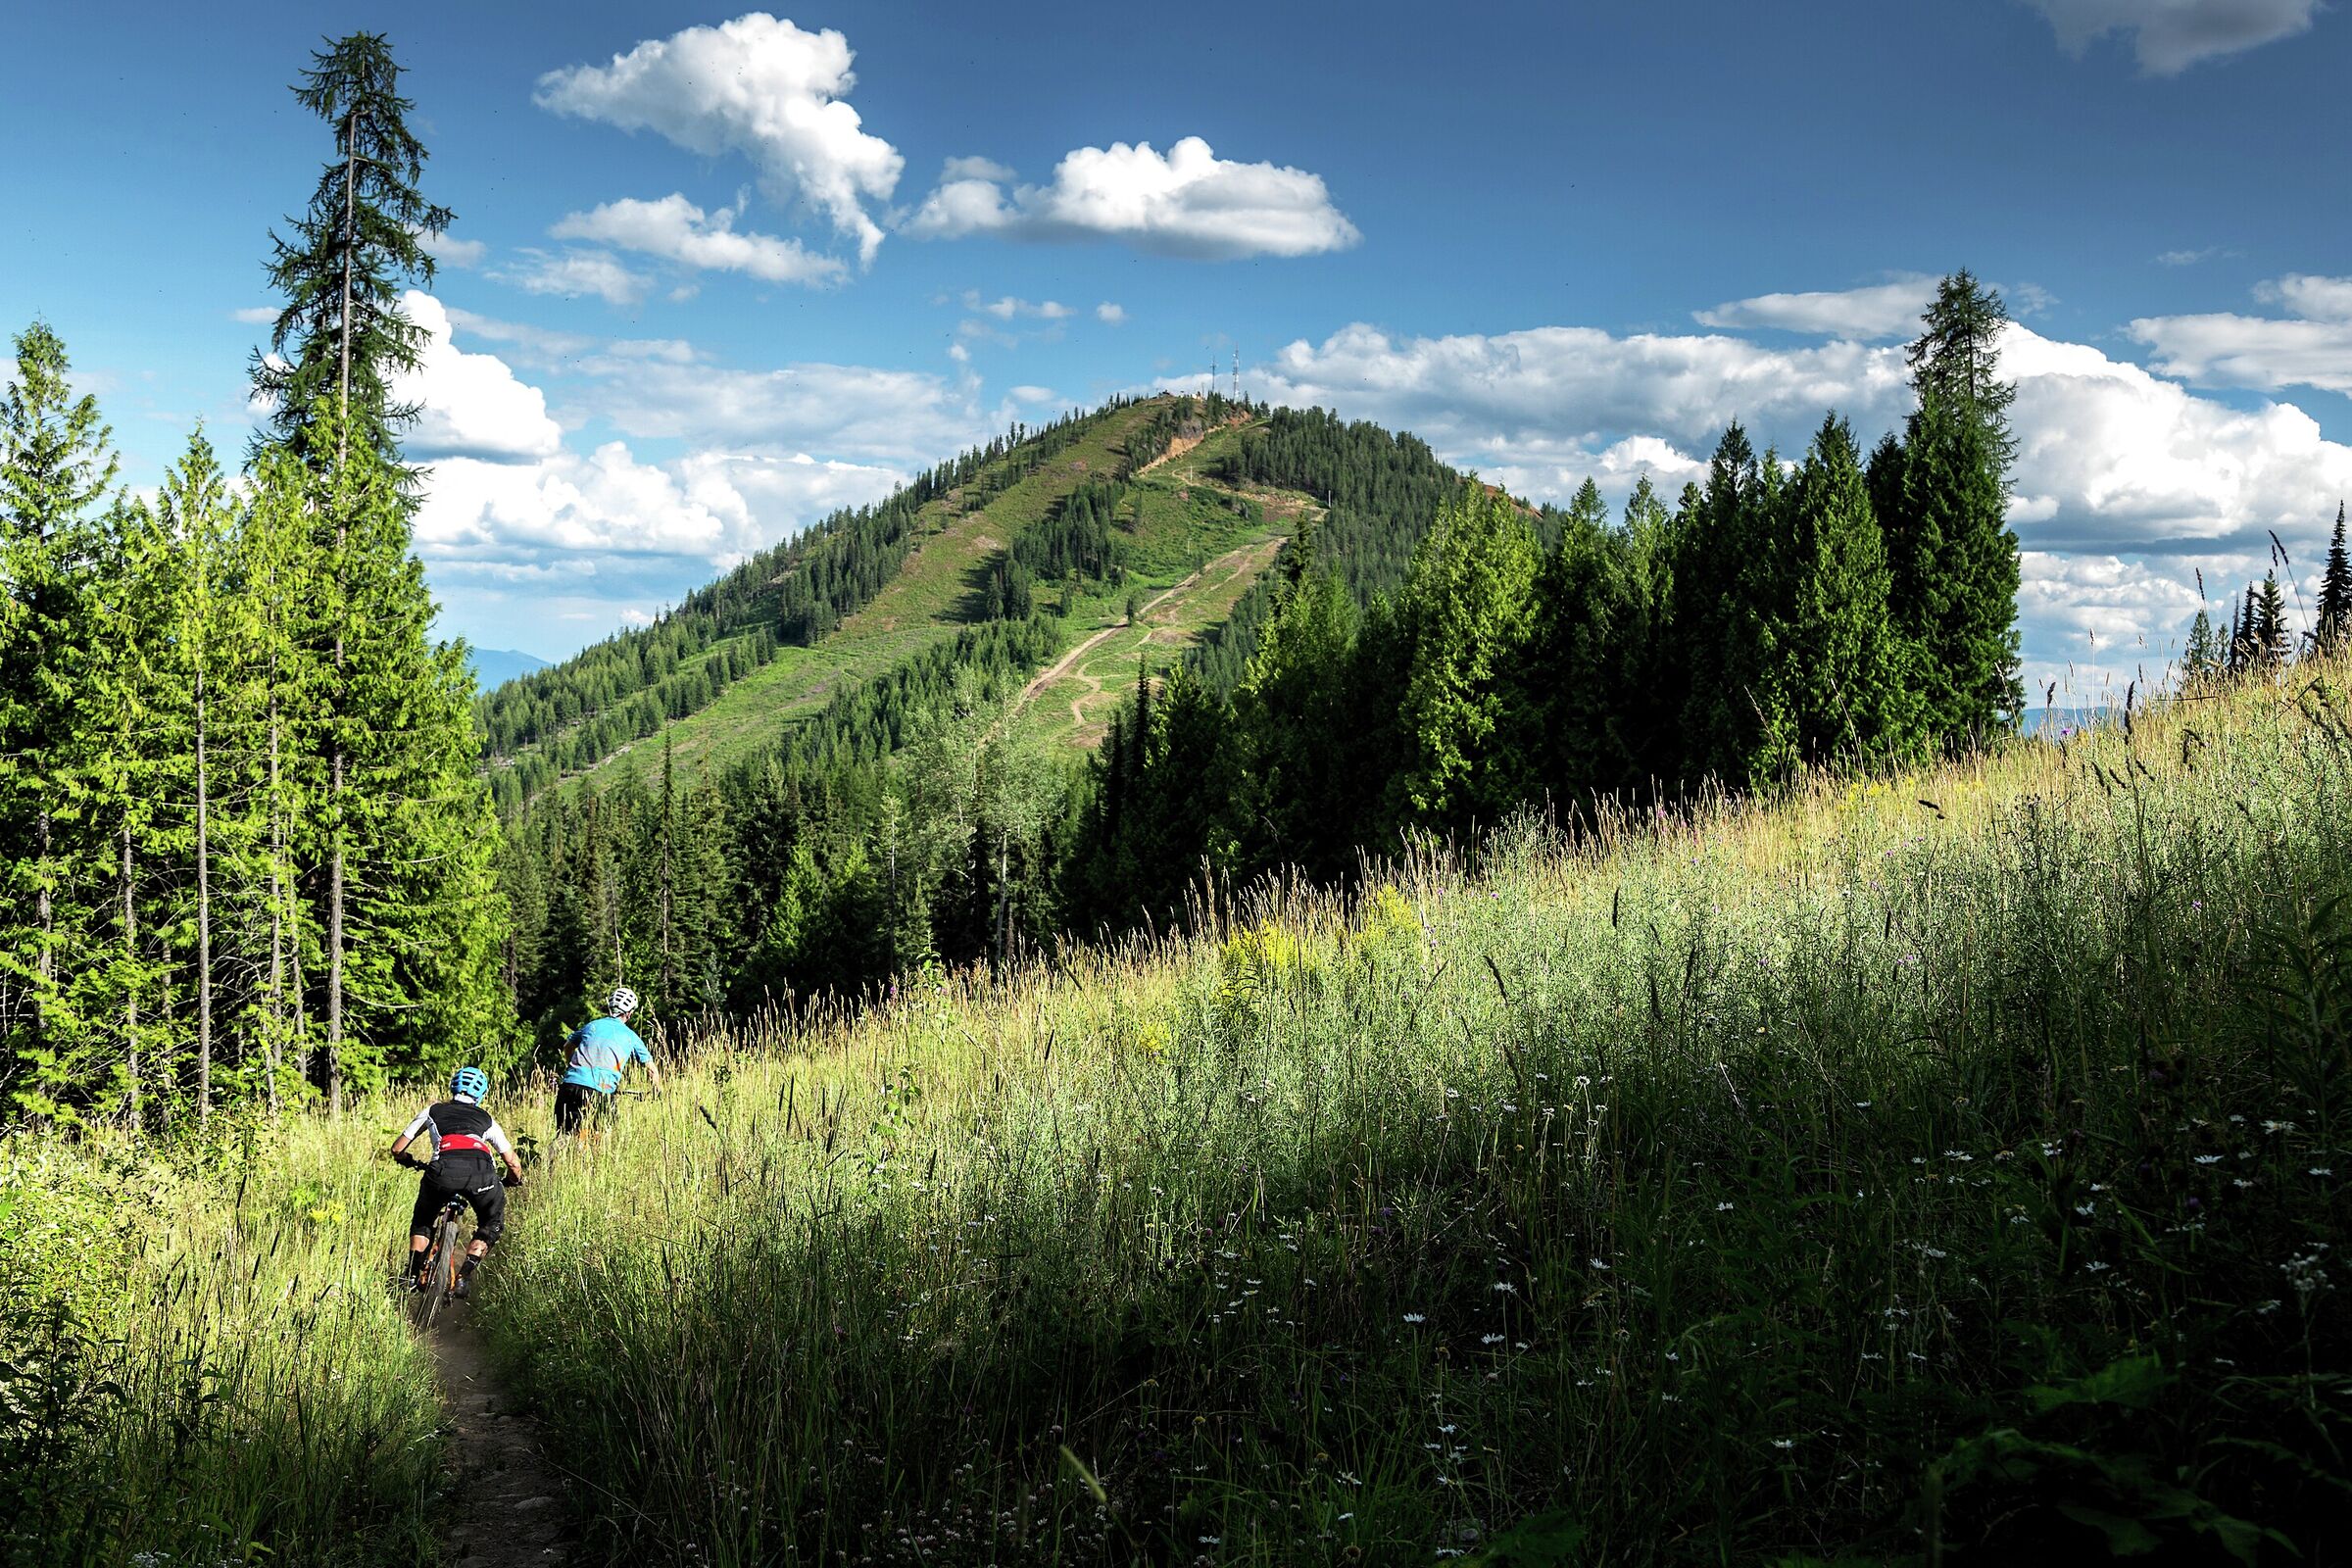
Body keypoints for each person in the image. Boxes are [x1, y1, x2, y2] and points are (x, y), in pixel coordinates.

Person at [389, 1066, 523, 1299]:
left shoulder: (433, 1110)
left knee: (423, 1218)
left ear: (452, 1087)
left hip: (442, 1172)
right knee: (491, 1222)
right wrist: (514, 1179)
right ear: (482, 1094)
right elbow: (512, 1161)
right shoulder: (487, 1119)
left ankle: (411, 1275)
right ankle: (464, 1277)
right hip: (481, 1174)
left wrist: (406, 1160)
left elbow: (397, 1148)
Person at [554, 984, 662, 1135]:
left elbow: (567, 1046)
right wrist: (657, 1090)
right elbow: (651, 1069)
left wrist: (571, 1069)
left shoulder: (591, 1026)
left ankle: (545, 1159)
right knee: (601, 1137)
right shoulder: (631, 1036)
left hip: (569, 1086)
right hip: (600, 1091)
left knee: (565, 1137)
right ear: (629, 1013)